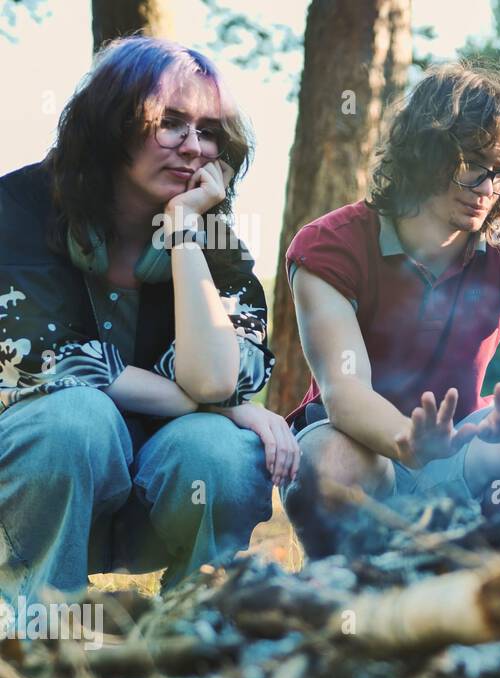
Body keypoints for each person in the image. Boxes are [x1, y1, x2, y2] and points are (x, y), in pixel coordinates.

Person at [0, 37, 288, 604]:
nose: (194, 148)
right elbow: (48, 360)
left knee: (224, 452)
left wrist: (184, 232)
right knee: (75, 419)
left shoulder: (212, 234)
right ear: (114, 124)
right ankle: (37, 625)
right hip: (45, 477)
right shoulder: (18, 205)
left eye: (209, 132)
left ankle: (198, 625)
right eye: (172, 124)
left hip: (159, 476)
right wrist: (222, 407)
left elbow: (216, 377)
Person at [281, 61, 500, 558]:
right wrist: (407, 440)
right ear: (424, 154)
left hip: (461, 451)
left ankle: (473, 563)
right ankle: (344, 579)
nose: (489, 189)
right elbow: (344, 392)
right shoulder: (329, 244)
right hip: (362, 446)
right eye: (473, 167)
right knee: (332, 462)